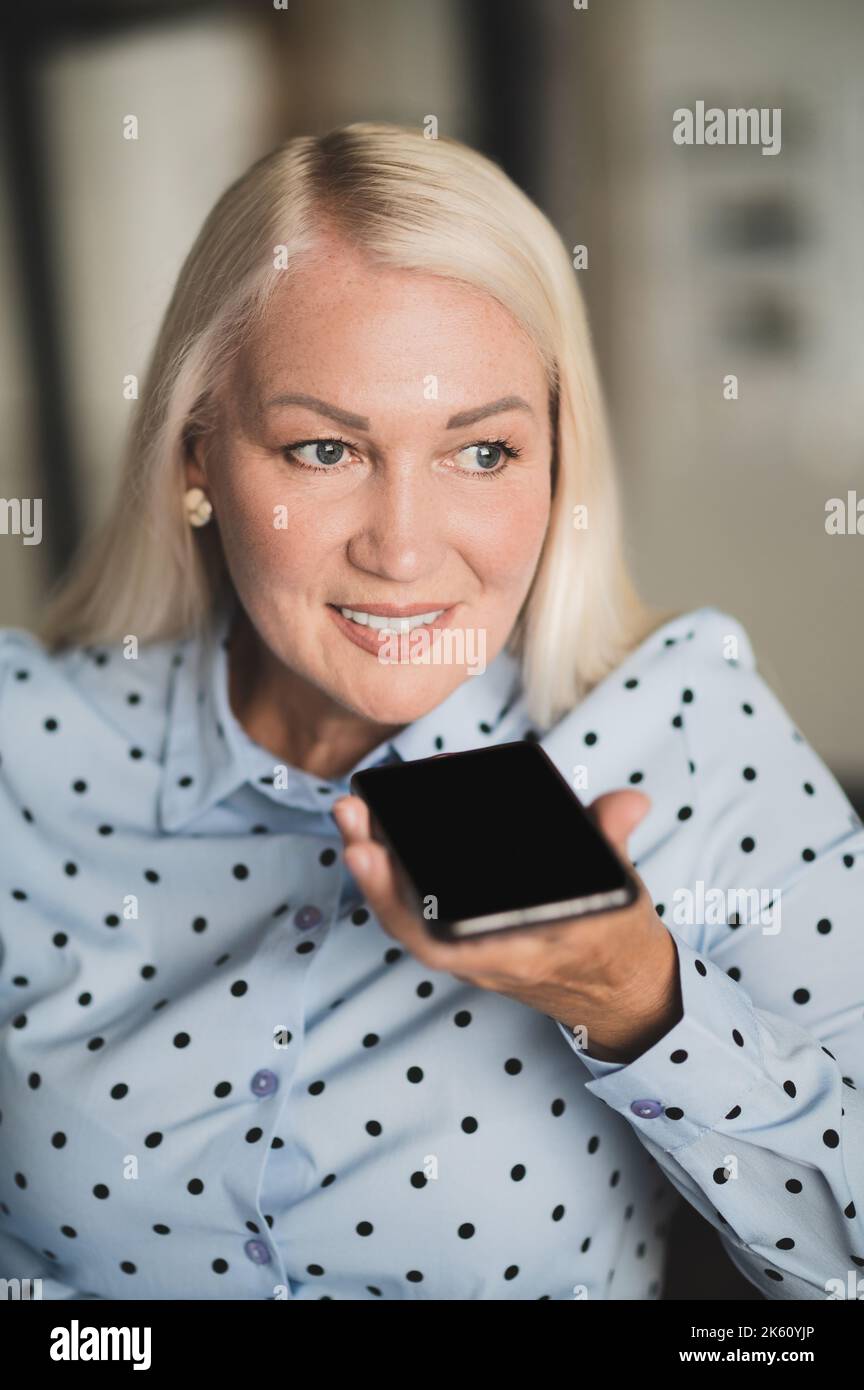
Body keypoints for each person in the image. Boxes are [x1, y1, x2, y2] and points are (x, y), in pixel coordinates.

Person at [0, 123, 861, 1302]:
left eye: (483, 453)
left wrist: (635, 1000)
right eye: (323, 447)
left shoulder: (686, 732)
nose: (403, 548)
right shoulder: (23, 745)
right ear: (196, 455)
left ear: (558, 459)